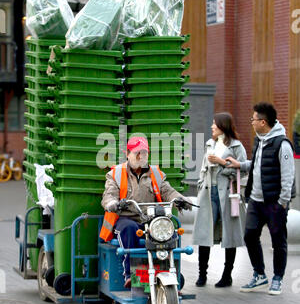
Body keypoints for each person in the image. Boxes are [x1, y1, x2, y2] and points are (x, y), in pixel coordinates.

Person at [100, 136, 192, 288]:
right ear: (127, 153)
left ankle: (169, 274)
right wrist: (112, 203)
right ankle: (130, 274)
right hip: (126, 217)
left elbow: (168, 191)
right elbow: (108, 194)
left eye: (143, 153)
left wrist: (181, 199)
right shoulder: (116, 173)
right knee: (129, 229)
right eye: (136, 152)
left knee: (169, 232)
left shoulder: (155, 173)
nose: (140, 156)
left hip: (149, 219)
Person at [226, 102, 295, 295]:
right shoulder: (260, 140)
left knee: (277, 241)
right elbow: (257, 165)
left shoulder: (282, 144)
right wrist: (240, 164)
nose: (252, 122)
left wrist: (282, 202)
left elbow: (288, 176)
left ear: (263, 122)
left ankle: (278, 278)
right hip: (256, 201)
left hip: (275, 203)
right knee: (249, 235)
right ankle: (259, 274)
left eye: (254, 119)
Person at [193, 113, 247, 288]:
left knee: (228, 234)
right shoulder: (210, 144)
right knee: (204, 233)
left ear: (223, 126)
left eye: (214, 124)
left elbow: (243, 170)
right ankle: (202, 275)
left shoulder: (237, 146)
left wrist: (222, 163)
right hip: (209, 193)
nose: (212, 127)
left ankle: (227, 274)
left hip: (228, 194)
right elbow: (203, 168)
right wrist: (201, 184)